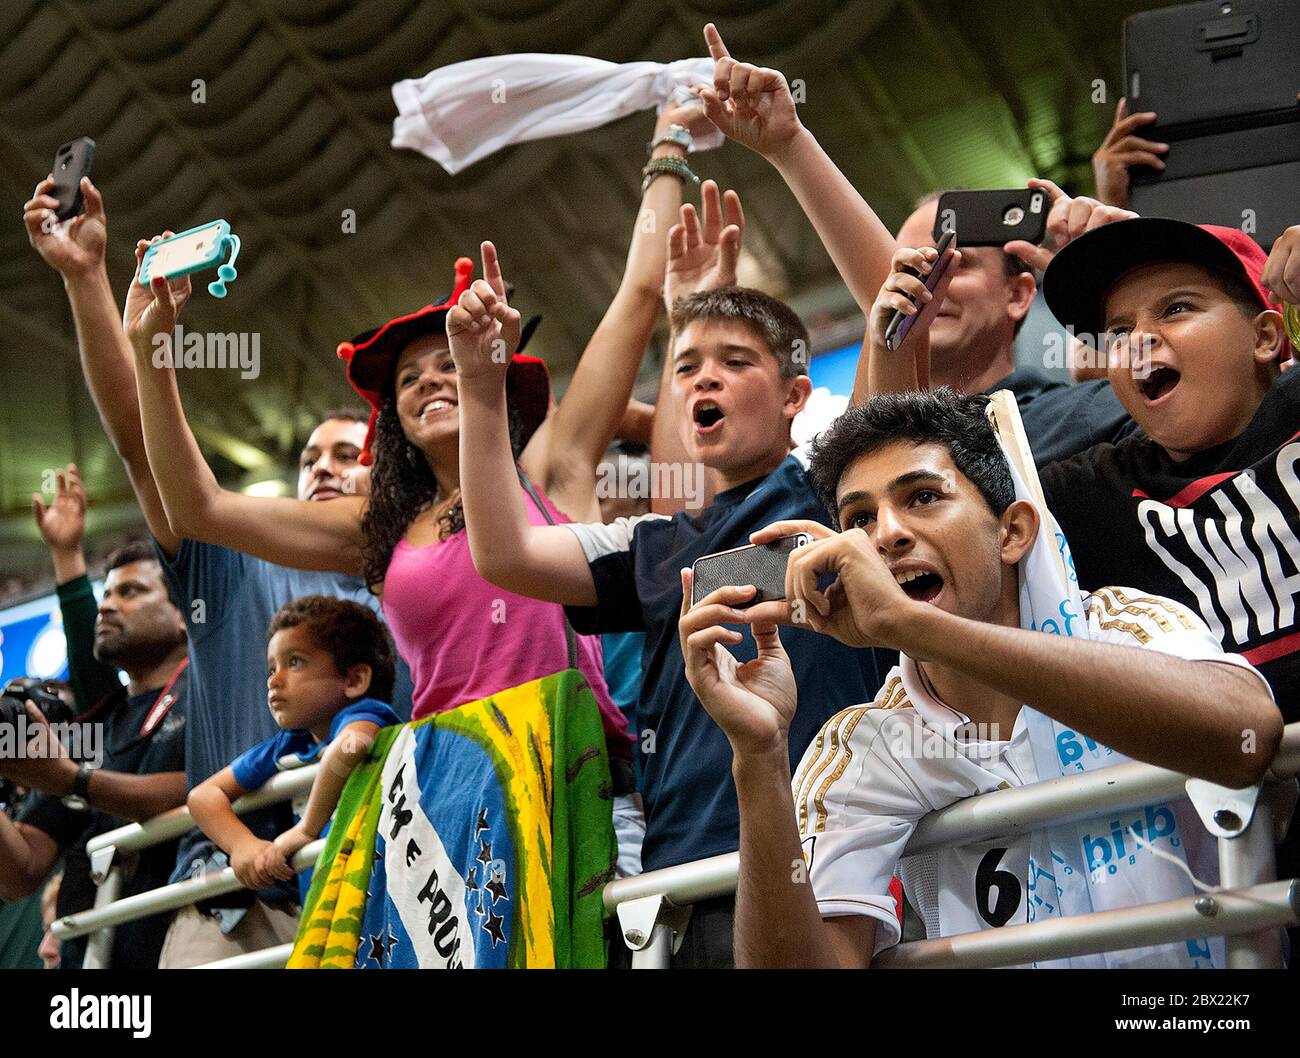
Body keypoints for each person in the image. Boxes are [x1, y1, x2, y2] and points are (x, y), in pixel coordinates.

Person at [678, 388, 1280, 967]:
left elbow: (1245, 738)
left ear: (1012, 531)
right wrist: (757, 755)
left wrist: (910, 626)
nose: (886, 534)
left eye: (922, 497)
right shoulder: (864, 745)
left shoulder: (1126, 627)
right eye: (858, 518)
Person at [22, 177, 414, 965]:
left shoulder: (426, 571)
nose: (325, 468)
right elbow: (140, 445)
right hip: (235, 906)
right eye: (309, 459)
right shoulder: (238, 563)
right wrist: (86, 278)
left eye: (350, 454)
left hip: (392, 883)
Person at [0, 467, 190, 968]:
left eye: (131, 593)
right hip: (92, 968)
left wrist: (73, 779)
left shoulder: (210, 694)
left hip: (189, 943)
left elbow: (204, 787)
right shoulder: (95, 729)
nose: (107, 606)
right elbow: (21, 871)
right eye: (106, 594)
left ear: (182, 615)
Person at [878, 180, 1140, 463]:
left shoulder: (1089, 416)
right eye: (907, 268)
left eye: (953, 262)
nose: (924, 285)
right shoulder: (859, 451)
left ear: (1017, 295)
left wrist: (1136, 277)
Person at [188, 596, 400, 898]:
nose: (274, 680)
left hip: (381, 897)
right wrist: (243, 845)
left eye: (295, 662)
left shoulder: (365, 714)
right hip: (324, 904)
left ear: (354, 679)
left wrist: (306, 830)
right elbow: (203, 796)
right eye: (272, 667)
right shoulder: (290, 744)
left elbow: (350, 747)